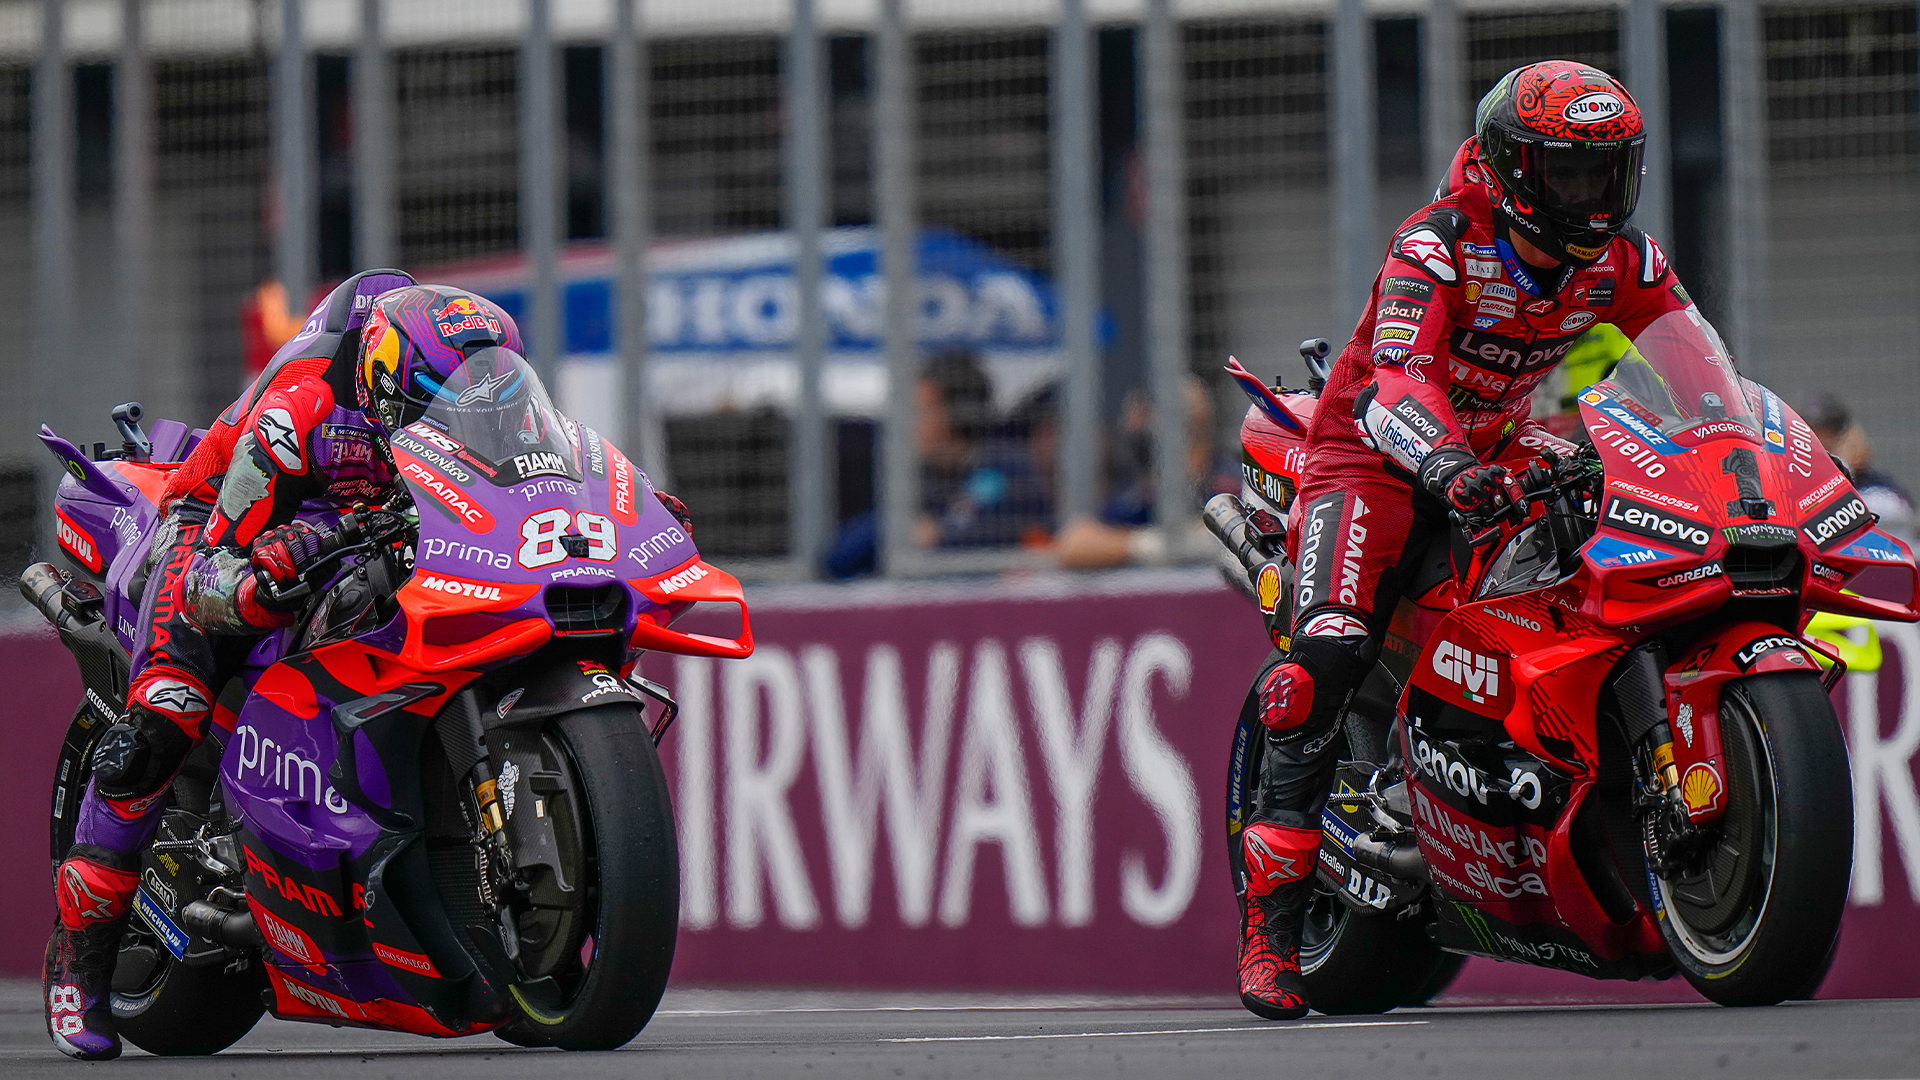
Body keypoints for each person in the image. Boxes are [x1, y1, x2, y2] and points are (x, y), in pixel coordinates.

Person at [44, 275, 696, 1059]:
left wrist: (643, 505)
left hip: (378, 526)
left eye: (484, 396)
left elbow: (559, 473)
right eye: (438, 401)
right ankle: (78, 967)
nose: (467, 411)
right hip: (225, 521)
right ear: (385, 385)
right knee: (163, 720)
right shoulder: (302, 408)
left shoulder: (498, 404)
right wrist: (261, 572)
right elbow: (218, 567)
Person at [1235, 60, 1704, 1020]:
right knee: (1325, 650)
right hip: (1370, 457)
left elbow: (1700, 368)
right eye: (1570, 174)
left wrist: (1728, 448)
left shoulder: (1624, 261)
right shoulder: (1438, 245)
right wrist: (1446, 466)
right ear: (1510, 168)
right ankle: (1269, 929)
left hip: (1498, 445)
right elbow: (1397, 385)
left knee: (1612, 565)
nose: (1592, 198)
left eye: (1609, 174)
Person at [1055, 377, 1238, 569]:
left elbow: (1246, 532)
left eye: (1146, 413)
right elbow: (1073, 545)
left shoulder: (1226, 479)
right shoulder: (1145, 496)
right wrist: (1151, 544)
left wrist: (1197, 540)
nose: (1132, 427)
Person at [1802, 394, 1913, 537]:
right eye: (1810, 433)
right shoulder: (1800, 487)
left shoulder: (1881, 492)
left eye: (1826, 433)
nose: (1818, 442)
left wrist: (1843, 467)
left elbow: (1841, 525)